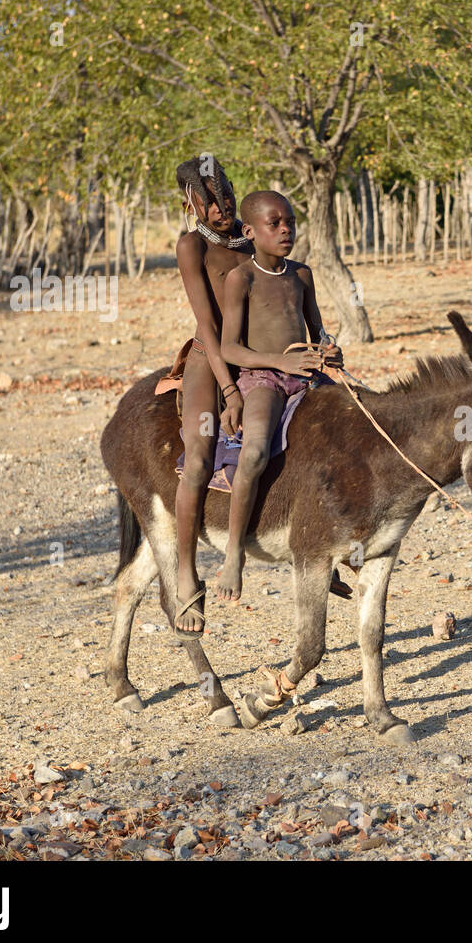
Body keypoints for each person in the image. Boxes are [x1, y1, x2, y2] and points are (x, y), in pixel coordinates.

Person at [217, 190, 343, 602]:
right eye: (275, 224)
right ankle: (234, 552)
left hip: (306, 376)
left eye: (289, 221)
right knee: (254, 452)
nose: (285, 229)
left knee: (350, 439)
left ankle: (332, 549)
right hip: (264, 380)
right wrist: (279, 362)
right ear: (251, 231)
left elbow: (317, 330)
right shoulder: (242, 279)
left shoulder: (301, 275)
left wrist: (328, 350)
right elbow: (229, 348)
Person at [161, 155, 251, 639]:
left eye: (226, 195)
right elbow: (207, 325)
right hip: (210, 356)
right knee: (197, 459)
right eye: (208, 200)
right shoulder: (191, 246)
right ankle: (185, 572)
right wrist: (230, 387)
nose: (221, 207)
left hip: (259, 352)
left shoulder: (255, 235)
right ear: (189, 203)